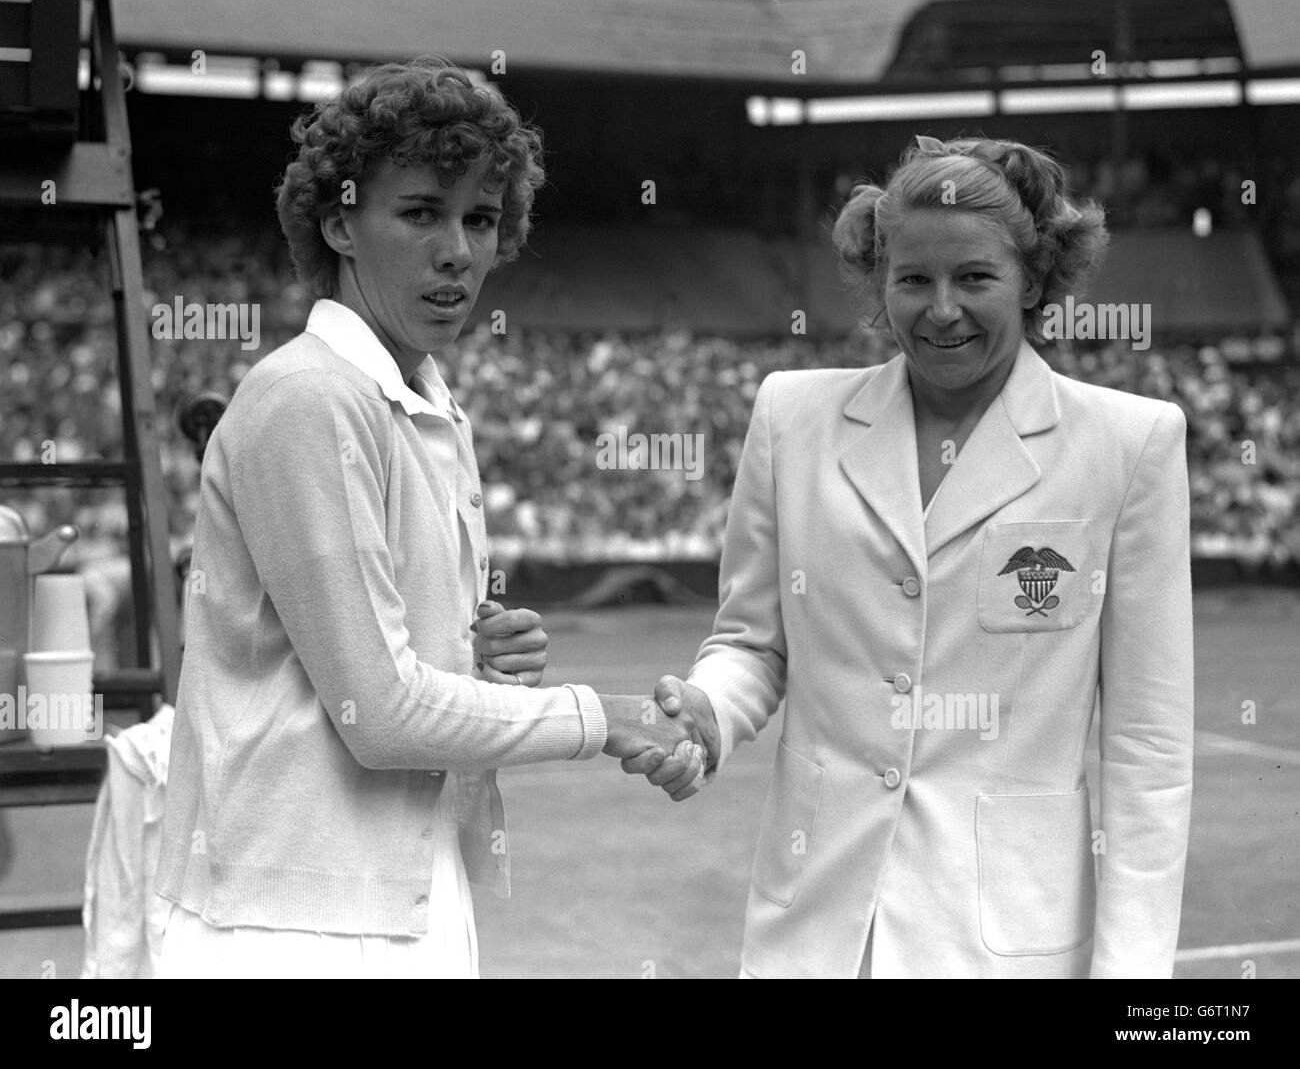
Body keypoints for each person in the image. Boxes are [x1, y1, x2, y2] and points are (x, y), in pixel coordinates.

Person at [154, 58, 704, 978]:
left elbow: (394, 673)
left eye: (481, 220)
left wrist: (485, 664)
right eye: (420, 214)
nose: (458, 250)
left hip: (402, 888)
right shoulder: (310, 398)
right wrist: (602, 718)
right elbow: (382, 713)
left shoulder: (423, 402)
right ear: (338, 223)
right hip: (282, 926)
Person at [635, 135, 1194, 978]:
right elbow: (752, 642)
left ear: (1035, 280)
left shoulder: (1131, 444)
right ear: (878, 281)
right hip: (814, 928)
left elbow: (1148, 746)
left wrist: (1134, 981)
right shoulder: (791, 418)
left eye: (974, 278)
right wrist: (708, 714)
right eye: (913, 279)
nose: (941, 310)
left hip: (1011, 944)